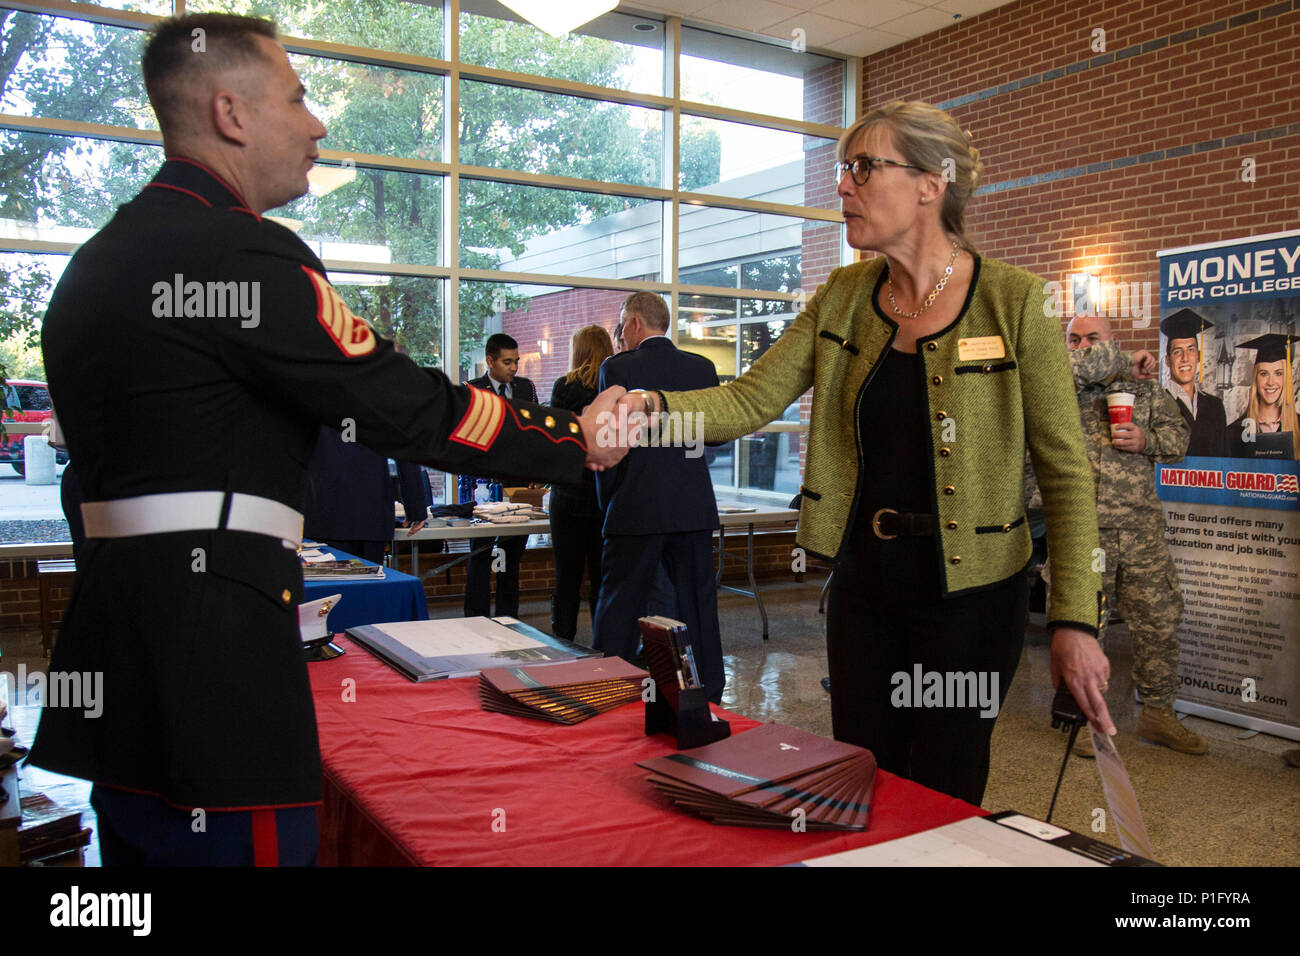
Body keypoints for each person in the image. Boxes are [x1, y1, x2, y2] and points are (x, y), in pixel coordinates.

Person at [28, 13, 629, 866]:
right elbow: (404, 407)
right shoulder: (239, 253)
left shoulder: (93, 266)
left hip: (115, 656)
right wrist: (575, 440)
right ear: (231, 113)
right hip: (220, 664)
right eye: (300, 98)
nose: (317, 124)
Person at [622, 101, 1109, 804]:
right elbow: (748, 401)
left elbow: (1067, 473)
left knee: (942, 788)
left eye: (861, 168)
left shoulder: (1014, 301)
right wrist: (644, 409)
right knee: (865, 782)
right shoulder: (844, 296)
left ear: (928, 184)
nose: (843, 187)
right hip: (865, 594)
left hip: (970, 604)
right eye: (842, 170)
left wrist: (1074, 619)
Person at [1051, 314, 1204, 756]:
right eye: (1074, 338)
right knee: (1083, 626)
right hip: (1081, 532)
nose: (1082, 345)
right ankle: (1081, 723)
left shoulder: (1145, 390)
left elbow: (1178, 440)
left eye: (1092, 337)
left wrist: (1146, 440)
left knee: (1157, 621)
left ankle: (1158, 714)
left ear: (1112, 340)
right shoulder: (1063, 389)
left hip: (1140, 528)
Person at [594, 292, 724, 702]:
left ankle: (607, 687)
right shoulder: (703, 368)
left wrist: (608, 502)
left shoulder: (617, 368)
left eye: (621, 325)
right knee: (698, 604)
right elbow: (710, 438)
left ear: (634, 324)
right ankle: (709, 693)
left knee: (620, 603)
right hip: (692, 504)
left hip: (636, 503)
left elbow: (608, 440)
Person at [463, 333, 537, 618]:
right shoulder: (472, 389)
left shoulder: (525, 389)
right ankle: (476, 618)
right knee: (481, 554)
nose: (514, 368)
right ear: (490, 361)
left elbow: (533, 431)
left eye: (516, 361)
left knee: (512, 555)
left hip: (516, 483)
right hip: (482, 483)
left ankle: (509, 618)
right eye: (507, 362)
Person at [547, 325, 613, 642]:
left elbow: (556, 442)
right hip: (605, 498)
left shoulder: (564, 387)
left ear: (579, 351)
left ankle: (563, 642)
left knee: (567, 579)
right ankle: (606, 646)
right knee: (603, 580)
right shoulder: (618, 388)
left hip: (569, 496)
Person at [301, 425, 428, 565]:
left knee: (326, 584)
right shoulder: (385, 403)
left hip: (323, 511)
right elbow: (406, 450)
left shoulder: (314, 403)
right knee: (368, 583)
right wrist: (416, 508)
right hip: (371, 512)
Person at [1161, 308, 1228, 457]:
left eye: (1191, 350)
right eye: (1178, 351)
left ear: (1198, 357)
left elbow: (1223, 459)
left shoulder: (1215, 406)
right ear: (1167, 360)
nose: (1185, 358)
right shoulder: (1157, 404)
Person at [1226, 334, 1299, 459]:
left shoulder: (1298, 426)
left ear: (1286, 378)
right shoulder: (1235, 432)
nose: (1271, 382)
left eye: (1278, 373)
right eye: (1264, 374)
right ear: (1256, 379)